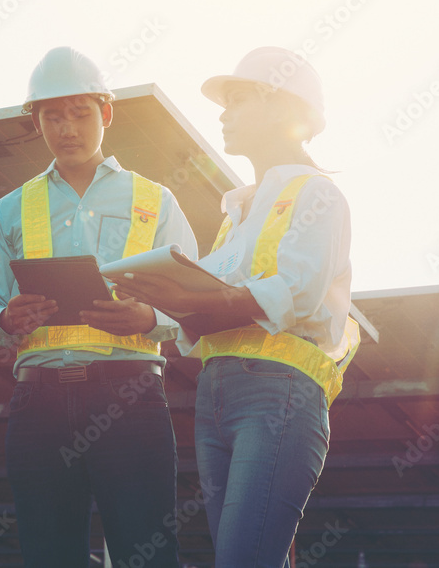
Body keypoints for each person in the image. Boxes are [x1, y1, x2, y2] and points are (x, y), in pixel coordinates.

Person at [108, 47, 360, 567]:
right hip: (218, 394)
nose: (223, 113)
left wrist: (185, 300)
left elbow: (294, 293)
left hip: (280, 393)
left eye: (238, 99)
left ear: (283, 109)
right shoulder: (237, 212)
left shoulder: (320, 196)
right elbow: (207, 303)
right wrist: (153, 308)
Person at [0, 46, 198, 567]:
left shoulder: (156, 200)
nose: (66, 128)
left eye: (79, 113)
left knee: (148, 554)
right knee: (48, 556)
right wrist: (6, 319)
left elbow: (192, 303)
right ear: (36, 121)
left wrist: (149, 318)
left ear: (106, 114)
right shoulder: (10, 209)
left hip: (131, 398)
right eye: (52, 115)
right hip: (38, 406)